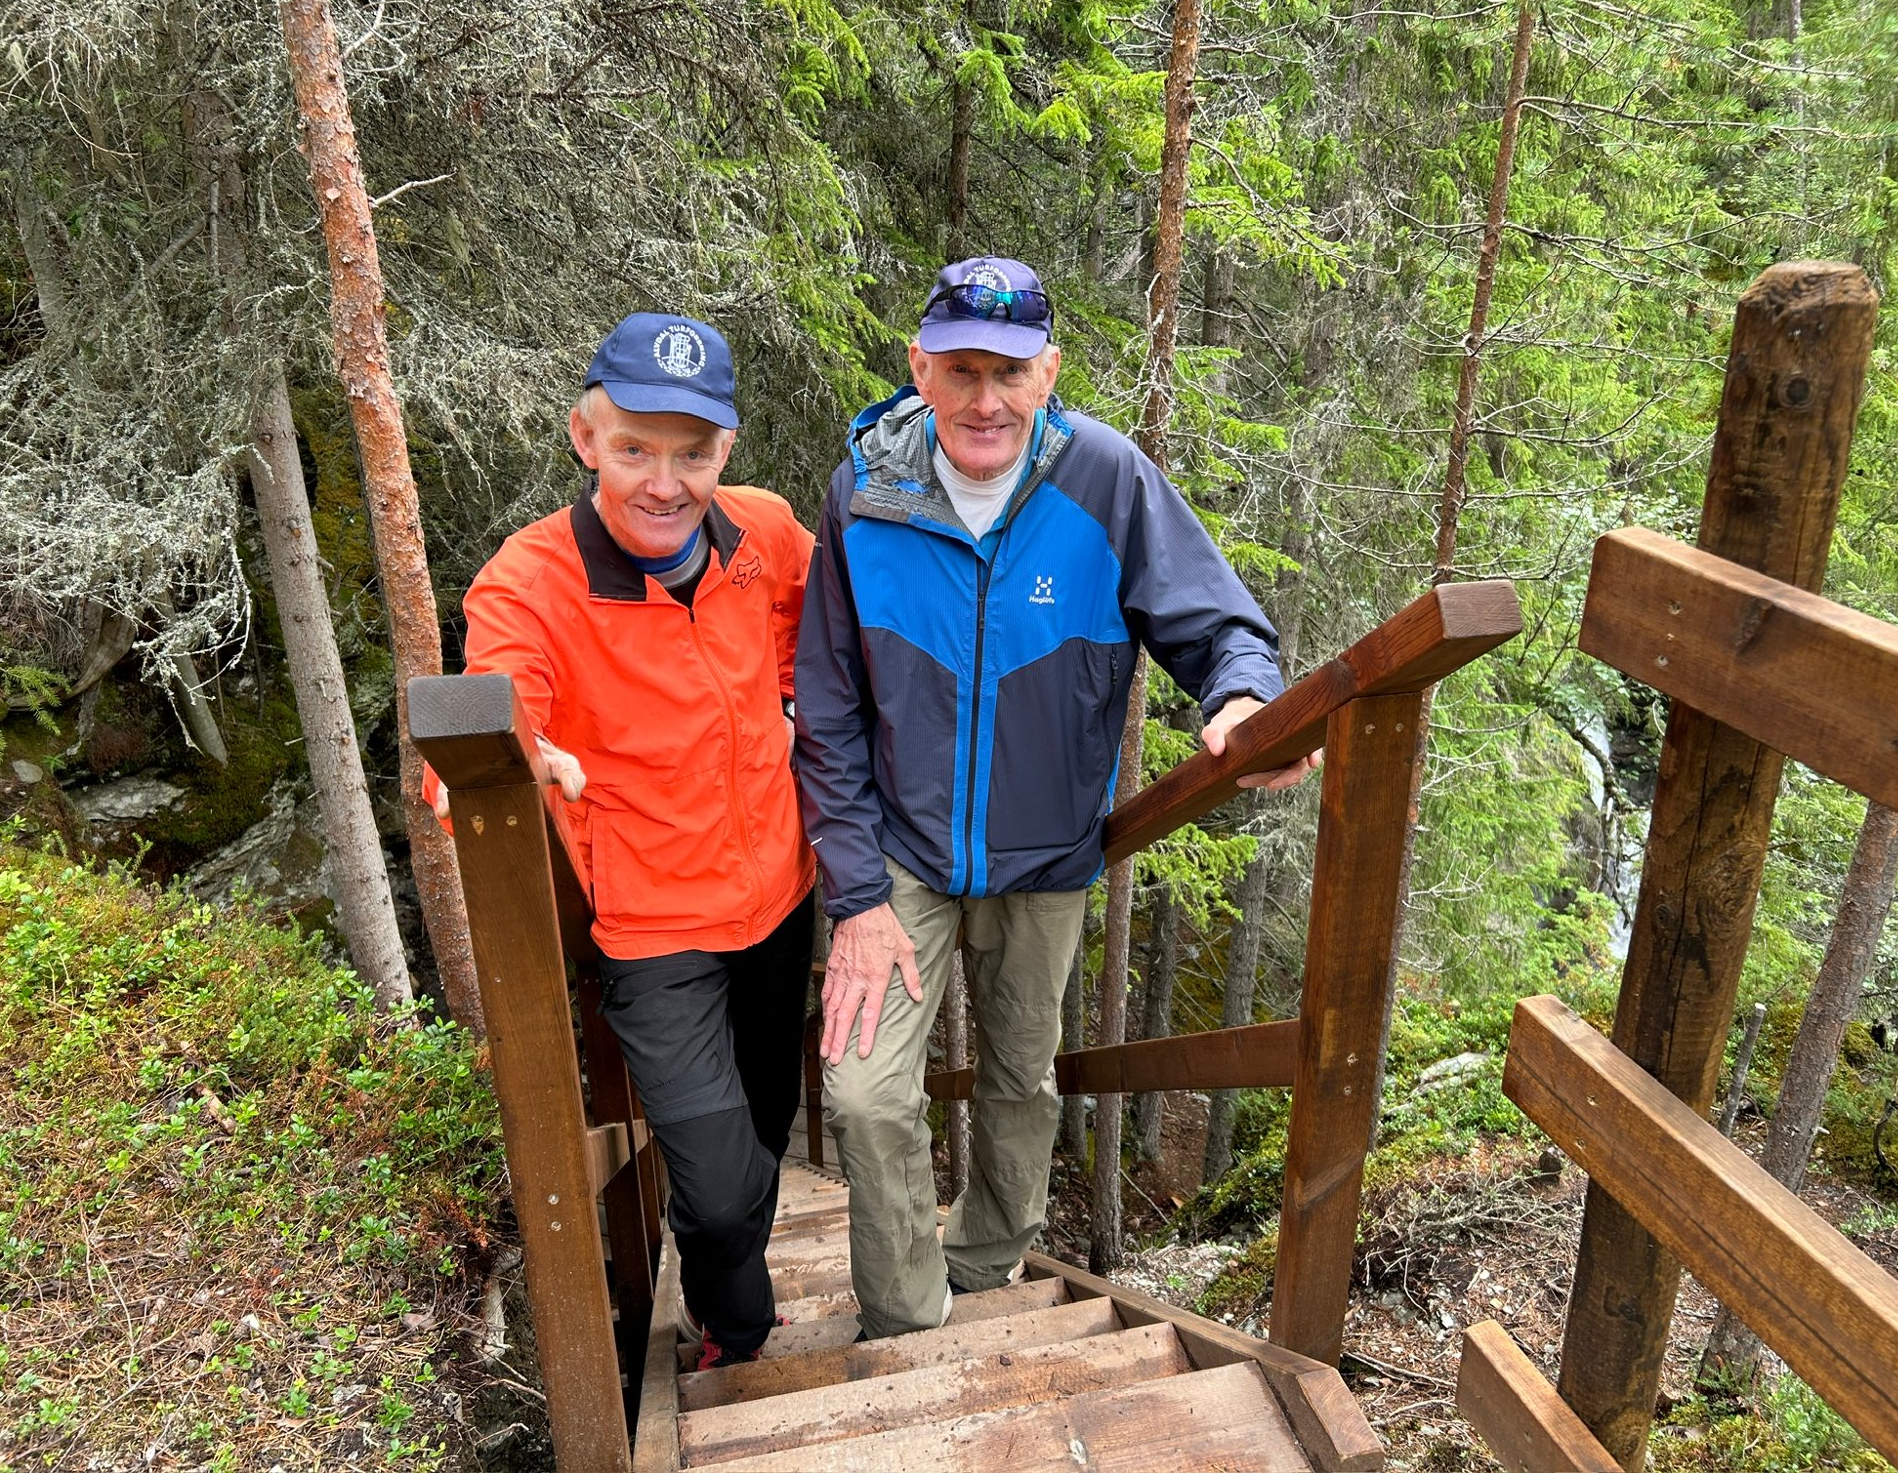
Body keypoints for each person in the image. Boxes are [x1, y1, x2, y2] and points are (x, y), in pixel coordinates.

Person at [793, 257, 1318, 1341]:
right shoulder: (864, 492)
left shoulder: (1106, 479)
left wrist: (1243, 697)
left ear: (1050, 372)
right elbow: (830, 707)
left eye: (1010, 371)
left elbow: (1215, 620)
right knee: (865, 1093)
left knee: (1021, 1078)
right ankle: (907, 1318)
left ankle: (987, 1273)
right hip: (898, 852)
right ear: (919, 367)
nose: (985, 398)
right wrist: (854, 895)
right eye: (961, 369)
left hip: (1043, 856)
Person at [425, 312, 816, 1368]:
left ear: (725, 450)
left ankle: (729, 1304)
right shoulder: (530, 580)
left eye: (692, 453)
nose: (663, 481)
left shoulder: (764, 533)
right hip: (651, 930)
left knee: (766, 1125)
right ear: (585, 436)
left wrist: (791, 699)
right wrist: (521, 759)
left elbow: (811, 628)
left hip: (782, 898)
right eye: (635, 447)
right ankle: (736, 1324)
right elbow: (486, 715)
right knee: (721, 1185)